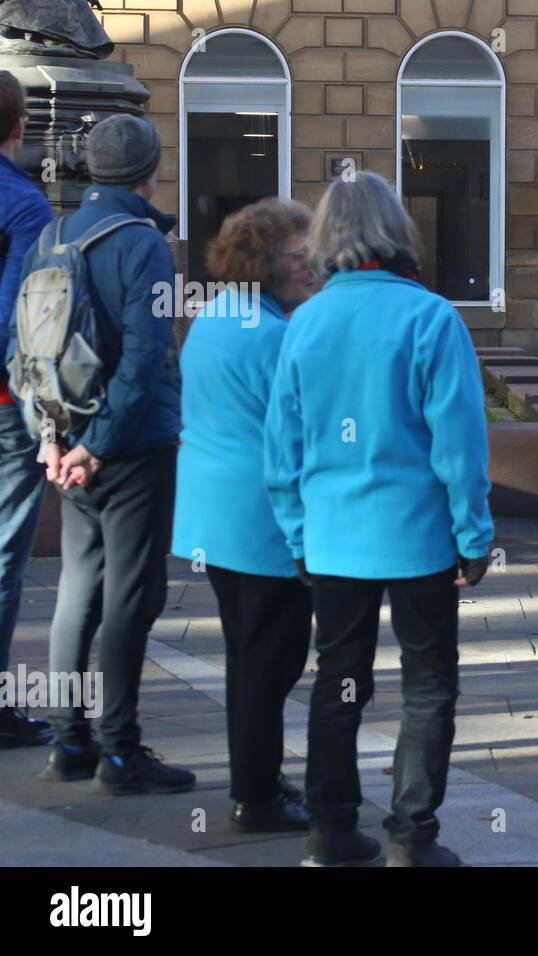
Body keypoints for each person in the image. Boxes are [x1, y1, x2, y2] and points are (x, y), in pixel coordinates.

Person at [265, 171, 492, 868]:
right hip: (418, 537)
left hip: (334, 540)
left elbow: (284, 446)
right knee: (427, 687)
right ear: (397, 231)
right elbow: (458, 442)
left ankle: (329, 832)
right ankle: (411, 839)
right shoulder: (430, 317)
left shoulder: (305, 322)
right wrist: (473, 535)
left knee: (339, 683)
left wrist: (297, 532)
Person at [32, 114, 193, 793]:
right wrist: (100, 447)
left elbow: (28, 349)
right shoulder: (143, 243)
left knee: (77, 592)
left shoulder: (52, 232)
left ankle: (70, 742)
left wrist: (54, 440)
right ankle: (121, 751)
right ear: (149, 172)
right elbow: (147, 360)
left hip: (66, 444)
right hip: (130, 450)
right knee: (130, 598)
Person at [171, 198, 319, 832]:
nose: (314, 265)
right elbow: (303, 438)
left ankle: (256, 776)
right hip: (261, 523)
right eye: (301, 255)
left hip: (215, 518)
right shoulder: (275, 336)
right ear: (266, 263)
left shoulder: (216, 316)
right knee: (271, 663)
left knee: (249, 657)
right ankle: (256, 798)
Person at [0, 71, 55, 749]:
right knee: (5, 552)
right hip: (6, 402)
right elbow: (23, 324)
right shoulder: (24, 206)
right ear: (18, 129)